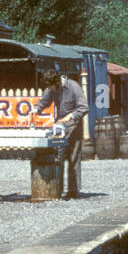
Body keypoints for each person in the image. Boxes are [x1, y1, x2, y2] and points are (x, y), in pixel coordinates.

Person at [32, 69, 88, 198]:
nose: (50, 90)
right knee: (59, 157)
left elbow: (84, 107)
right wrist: (36, 109)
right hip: (60, 127)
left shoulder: (73, 86)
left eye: (51, 87)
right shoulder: (51, 87)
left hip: (74, 126)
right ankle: (58, 188)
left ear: (57, 81)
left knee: (73, 159)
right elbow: (44, 101)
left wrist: (71, 116)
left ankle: (73, 191)